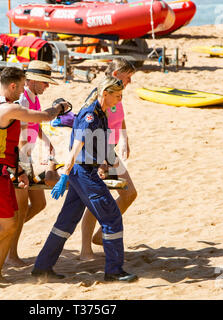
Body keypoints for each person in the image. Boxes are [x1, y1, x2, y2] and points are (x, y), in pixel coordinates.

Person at [0, 67, 67, 283]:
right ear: (13, 85)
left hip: (3, 171)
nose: (23, 91)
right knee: (8, 225)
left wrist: (18, 170)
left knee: (12, 223)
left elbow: (10, 144)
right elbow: (45, 116)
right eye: (21, 86)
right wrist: (60, 107)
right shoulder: (7, 108)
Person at [31, 77, 138, 283]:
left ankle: (42, 267)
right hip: (82, 173)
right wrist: (64, 176)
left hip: (85, 171)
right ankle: (114, 271)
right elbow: (75, 148)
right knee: (112, 217)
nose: (119, 100)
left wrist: (103, 165)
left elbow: (98, 145)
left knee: (66, 221)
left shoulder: (100, 111)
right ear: (104, 93)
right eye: (117, 96)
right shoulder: (90, 115)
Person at [80, 57, 137, 260]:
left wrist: (124, 141)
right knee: (94, 201)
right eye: (128, 76)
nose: (130, 81)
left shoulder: (116, 95)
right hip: (97, 154)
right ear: (115, 75)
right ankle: (85, 250)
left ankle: (100, 236)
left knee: (129, 194)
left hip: (110, 152)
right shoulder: (99, 96)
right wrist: (100, 160)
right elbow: (89, 129)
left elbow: (120, 120)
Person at [7, 60, 59, 266]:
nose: (47, 86)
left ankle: (6, 236)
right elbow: (19, 132)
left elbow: (34, 124)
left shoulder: (33, 98)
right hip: (17, 156)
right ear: (34, 80)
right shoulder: (23, 99)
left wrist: (47, 142)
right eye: (45, 82)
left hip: (25, 156)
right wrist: (23, 163)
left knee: (39, 204)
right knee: (19, 210)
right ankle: (10, 252)